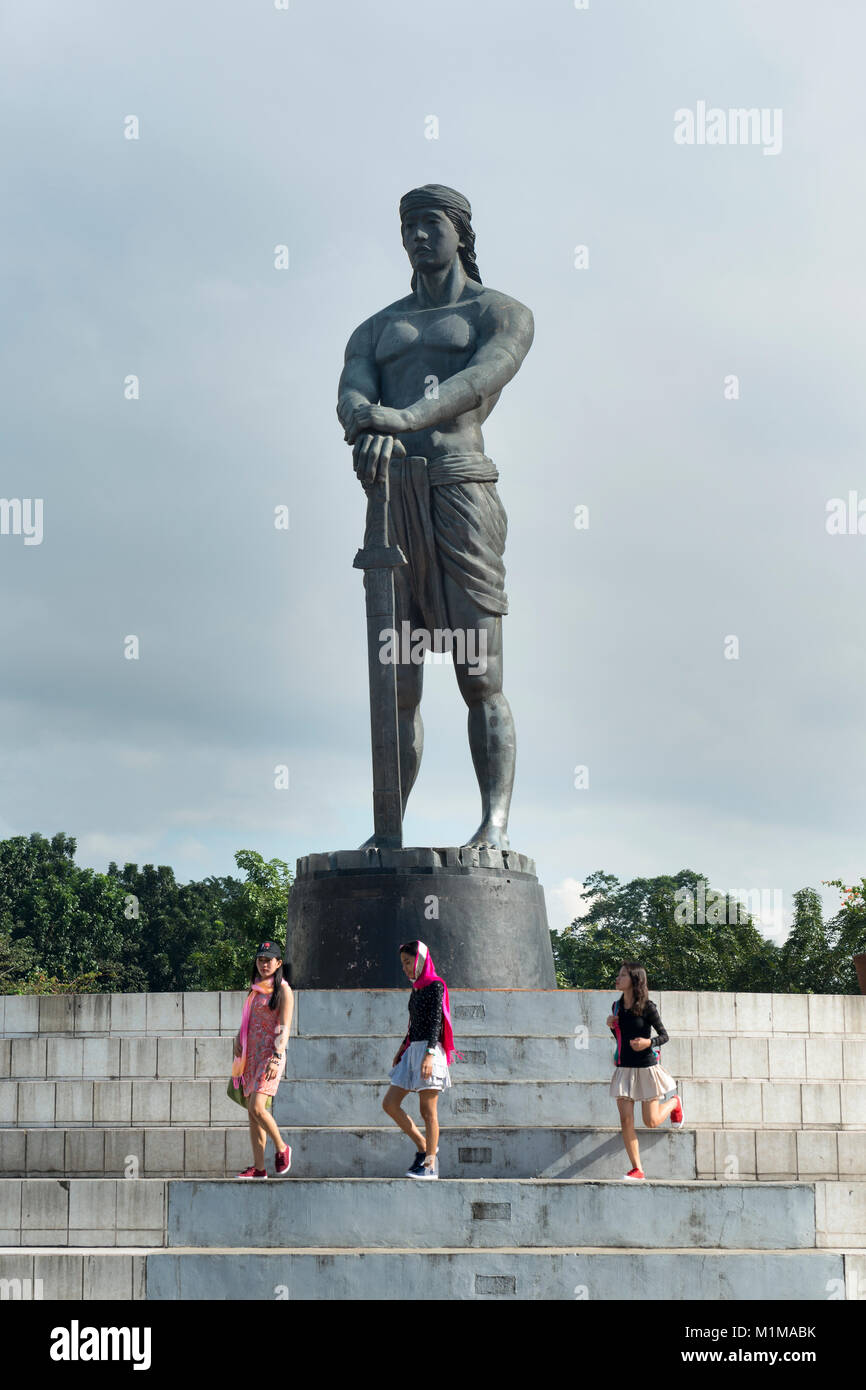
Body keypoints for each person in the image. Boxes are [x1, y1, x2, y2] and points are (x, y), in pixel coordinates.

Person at [336, 183, 535, 851]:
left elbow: (480, 379)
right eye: (407, 226)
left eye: (429, 224)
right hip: (392, 504)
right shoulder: (374, 329)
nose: (417, 236)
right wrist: (367, 421)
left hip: (459, 491)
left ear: (460, 233)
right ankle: (387, 832)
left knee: (479, 673)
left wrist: (403, 418)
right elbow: (353, 394)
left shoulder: (500, 312)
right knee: (398, 683)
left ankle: (494, 825)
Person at [382, 940, 458, 1178]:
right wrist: (402, 1048)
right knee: (390, 1104)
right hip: (412, 1049)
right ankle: (425, 1146)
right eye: (403, 963)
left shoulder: (436, 985)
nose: (405, 968)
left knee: (428, 1110)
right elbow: (414, 1023)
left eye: (408, 962)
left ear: (421, 960)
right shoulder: (416, 989)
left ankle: (430, 1164)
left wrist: (429, 1054)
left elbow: (436, 1022)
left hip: (430, 1050)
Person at [607, 961, 683, 1180]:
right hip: (624, 1068)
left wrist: (648, 1043)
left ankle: (675, 1102)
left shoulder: (648, 1007)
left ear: (634, 980)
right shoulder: (616, 1007)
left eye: (622, 975)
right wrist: (612, 1026)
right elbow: (621, 1039)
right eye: (618, 975)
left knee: (650, 1121)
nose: (617, 978)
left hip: (646, 1068)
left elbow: (664, 1036)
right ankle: (637, 1169)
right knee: (626, 1120)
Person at [232, 941, 294, 1178]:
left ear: (278, 963)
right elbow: (248, 1022)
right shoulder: (255, 990)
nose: (264, 964)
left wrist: (277, 1057)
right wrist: (237, 1038)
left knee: (258, 1107)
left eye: (269, 960)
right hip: (251, 1058)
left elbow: (284, 1027)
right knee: (253, 1114)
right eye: (260, 959)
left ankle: (282, 1147)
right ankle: (259, 1169)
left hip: (270, 1057)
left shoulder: (283, 991)